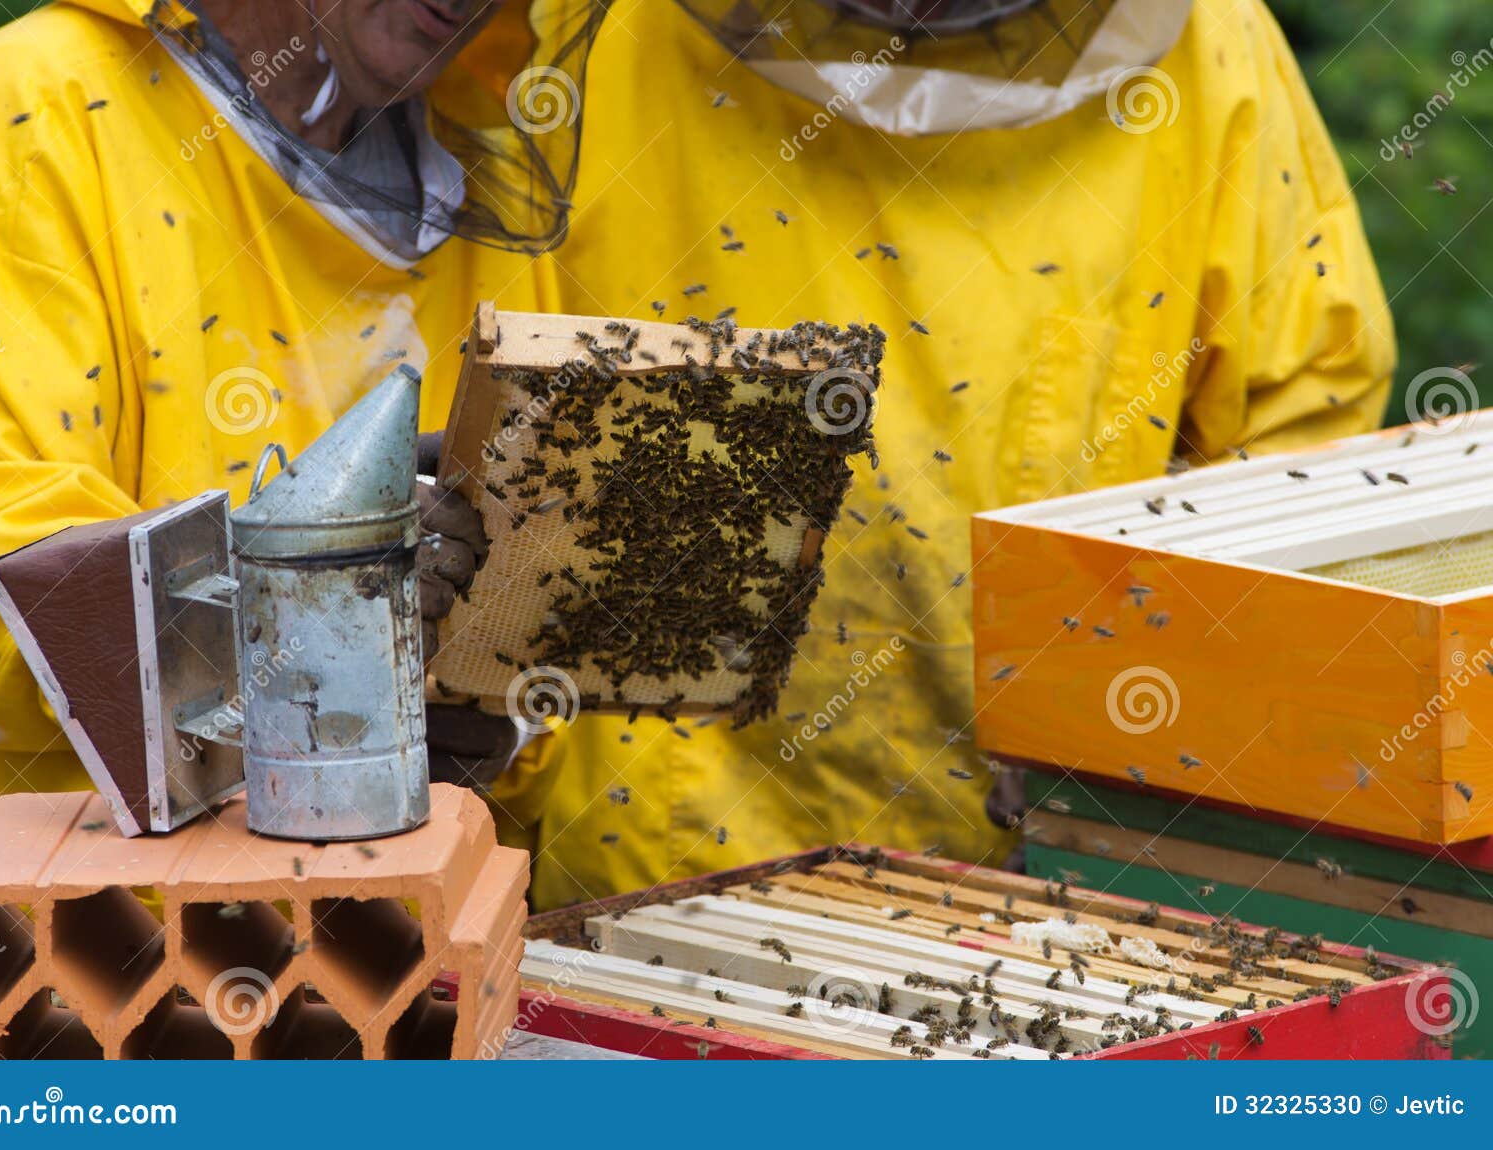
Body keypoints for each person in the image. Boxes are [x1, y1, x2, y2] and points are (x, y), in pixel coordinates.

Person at [499, 0, 1398, 910]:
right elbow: (463, 456)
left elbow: (1304, 444)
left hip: (1046, 894)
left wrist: (1128, 718)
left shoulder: (1210, 54)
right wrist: (516, 761)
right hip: (649, 868)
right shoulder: (588, 39)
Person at [0, 0, 608, 814]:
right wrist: (311, 600)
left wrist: (485, 724)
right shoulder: (38, 109)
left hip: (366, 918)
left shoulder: (468, 186)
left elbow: (525, 617)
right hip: (44, 911)